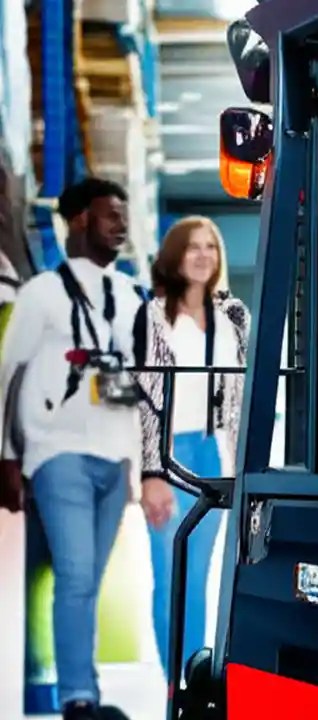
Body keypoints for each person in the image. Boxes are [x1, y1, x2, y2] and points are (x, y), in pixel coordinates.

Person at [0, 177, 147, 720]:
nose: (122, 226)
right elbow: (7, 375)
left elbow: (141, 383)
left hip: (114, 457)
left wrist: (137, 462)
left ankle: (77, 690)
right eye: (112, 215)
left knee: (84, 579)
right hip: (56, 450)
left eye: (124, 216)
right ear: (81, 219)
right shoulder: (42, 294)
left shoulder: (132, 296)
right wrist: (7, 456)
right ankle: (78, 698)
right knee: (78, 575)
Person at [137, 217, 249, 683]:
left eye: (210, 246)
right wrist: (151, 472)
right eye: (192, 247)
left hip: (212, 452)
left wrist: (247, 464)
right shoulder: (154, 315)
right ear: (174, 255)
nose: (203, 255)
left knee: (199, 578)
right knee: (169, 577)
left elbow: (242, 396)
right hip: (169, 453)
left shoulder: (234, 315)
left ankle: (194, 683)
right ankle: (171, 690)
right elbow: (146, 395)